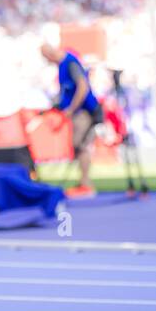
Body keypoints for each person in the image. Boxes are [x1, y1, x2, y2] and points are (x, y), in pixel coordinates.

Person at [38, 43, 104, 199]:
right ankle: (83, 182)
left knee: (80, 145)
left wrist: (71, 108)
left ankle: (86, 184)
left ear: (50, 54)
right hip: (78, 111)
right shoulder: (63, 65)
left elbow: (83, 86)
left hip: (84, 112)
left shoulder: (70, 62)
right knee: (77, 146)